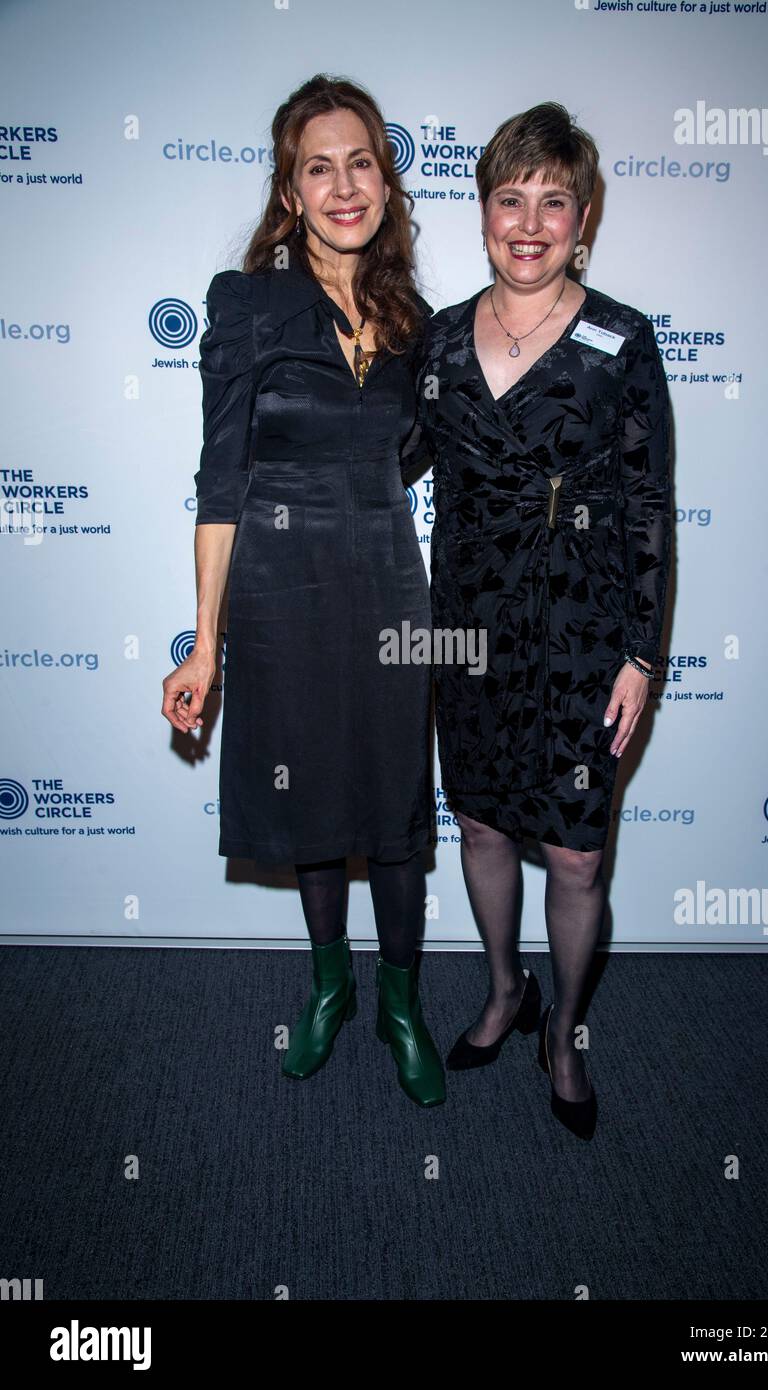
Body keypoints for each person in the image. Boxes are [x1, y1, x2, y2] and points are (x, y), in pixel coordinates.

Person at [161, 75, 444, 1108]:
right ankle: (329, 987)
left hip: (390, 586)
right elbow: (219, 476)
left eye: (359, 161)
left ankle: (401, 1004)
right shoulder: (247, 304)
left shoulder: (414, 318)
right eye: (316, 166)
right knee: (312, 797)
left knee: (397, 804)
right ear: (289, 190)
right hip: (279, 595)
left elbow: (413, 454)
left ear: (385, 176)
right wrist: (204, 644)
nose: (342, 184)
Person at [417, 102, 673, 1137]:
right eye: (507, 199)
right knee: (477, 820)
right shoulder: (436, 337)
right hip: (465, 624)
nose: (527, 223)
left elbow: (649, 506)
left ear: (582, 215)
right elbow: (379, 465)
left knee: (573, 856)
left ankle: (562, 1030)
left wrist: (639, 656)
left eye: (550, 202)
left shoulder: (620, 340)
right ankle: (499, 988)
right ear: (482, 210)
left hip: (580, 628)